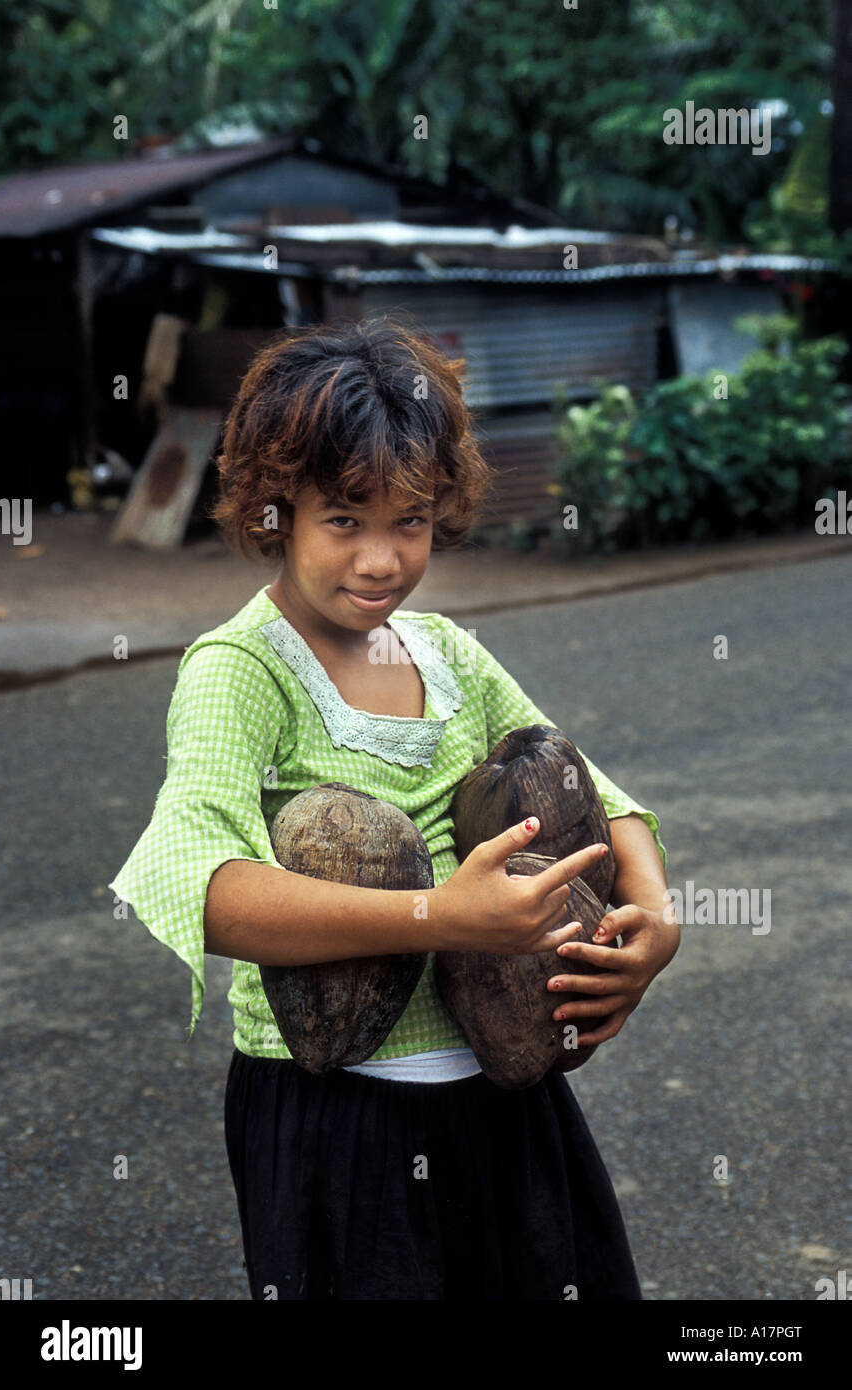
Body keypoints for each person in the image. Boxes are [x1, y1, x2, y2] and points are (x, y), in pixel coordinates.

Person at [108, 315, 679, 1301]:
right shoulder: (239, 671)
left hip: (511, 1101)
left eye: (408, 520)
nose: (380, 560)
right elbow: (203, 887)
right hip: (340, 1125)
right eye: (345, 519)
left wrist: (655, 923)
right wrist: (436, 917)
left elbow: (601, 792)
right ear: (275, 504)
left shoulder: (446, 652)